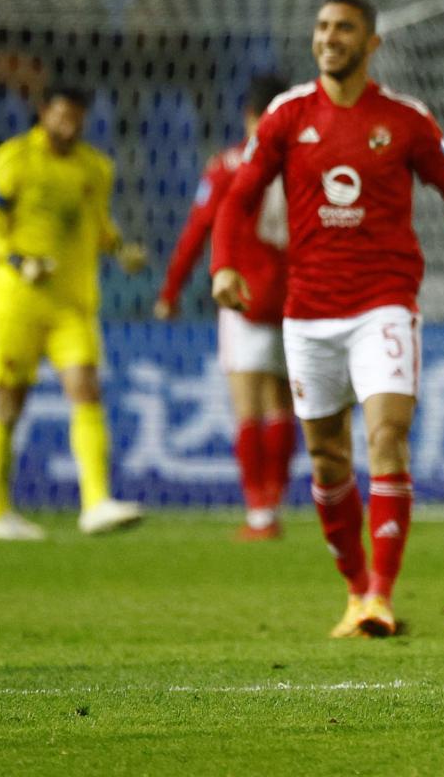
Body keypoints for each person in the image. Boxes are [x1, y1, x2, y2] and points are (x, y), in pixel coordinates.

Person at [211, 0, 444, 639]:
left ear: (371, 43)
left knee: (387, 438)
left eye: (344, 28)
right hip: (308, 310)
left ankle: (381, 593)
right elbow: (237, 199)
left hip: (385, 304)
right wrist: (224, 265)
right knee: (326, 460)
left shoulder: (406, 119)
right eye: (322, 26)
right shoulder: (287, 117)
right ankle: (353, 590)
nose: (329, 37)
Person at [0, 84, 149, 540]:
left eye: (78, 116)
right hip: (17, 303)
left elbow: (98, 224)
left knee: (86, 389)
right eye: (63, 114)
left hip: (72, 304)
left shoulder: (95, 168)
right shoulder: (14, 160)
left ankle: (96, 502)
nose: (70, 124)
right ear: (43, 112)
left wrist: (120, 248)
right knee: (9, 401)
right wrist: (16, 258)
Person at [156, 75, 296, 541]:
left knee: (248, 406)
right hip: (298, 298)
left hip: (245, 298)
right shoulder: (305, 163)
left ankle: (259, 514)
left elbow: (198, 231)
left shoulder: (227, 166)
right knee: (283, 405)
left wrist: (171, 291)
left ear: (248, 115)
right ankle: (274, 501)